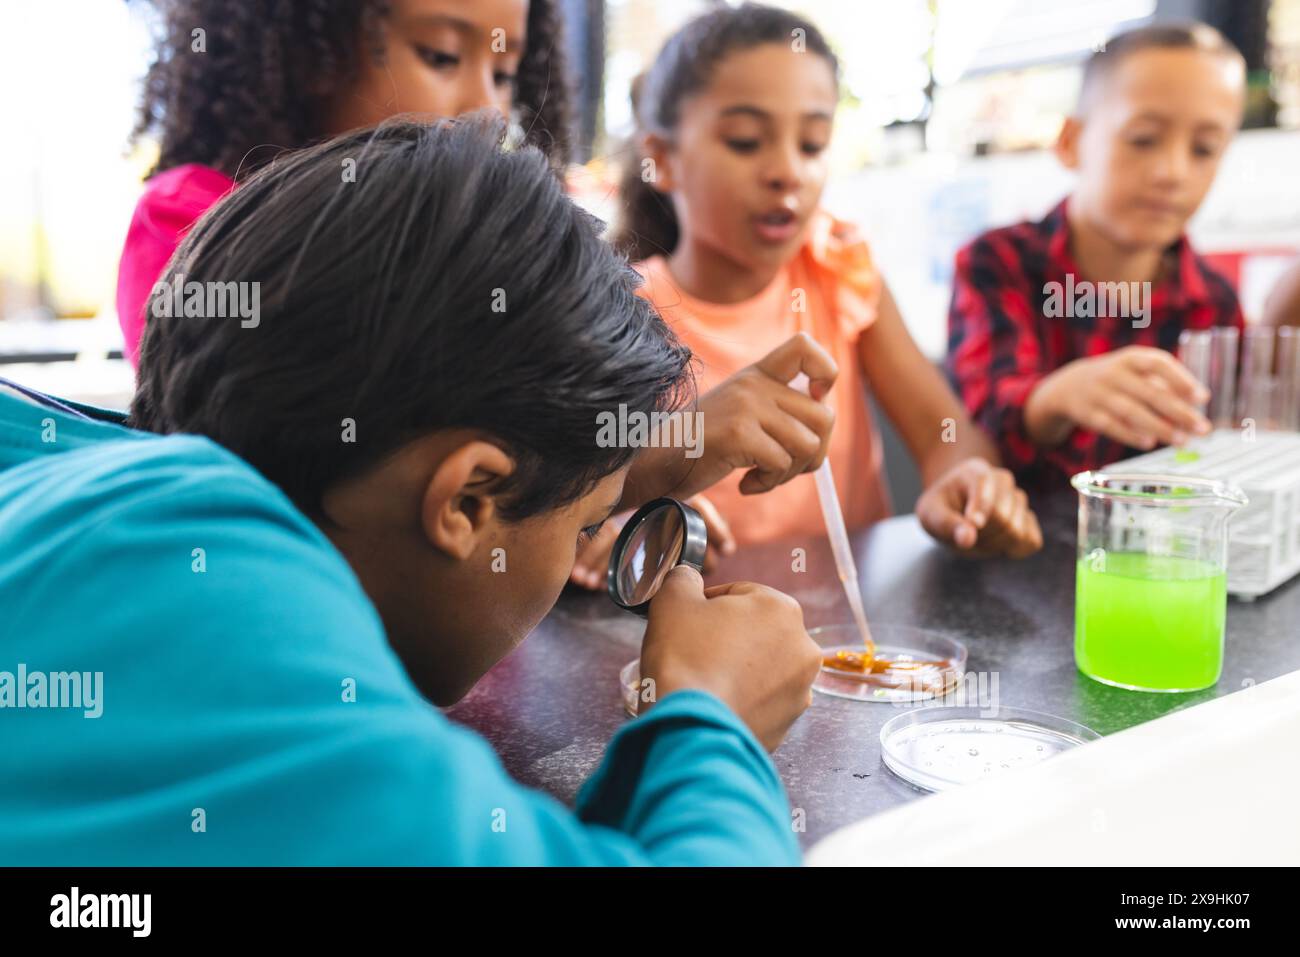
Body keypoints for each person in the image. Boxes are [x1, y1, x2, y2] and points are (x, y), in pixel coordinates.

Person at [0, 119, 841, 865]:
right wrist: (708, 718)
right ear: (468, 499)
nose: (591, 529)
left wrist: (607, 466)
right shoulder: (270, 683)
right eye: (590, 520)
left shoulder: (70, 467)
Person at [606, 3, 1041, 558]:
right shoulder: (622, 312)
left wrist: (965, 483)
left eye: (811, 144)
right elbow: (574, 504)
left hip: (850, 622)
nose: (788, 170)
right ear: (662, 160)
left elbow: (946, 436)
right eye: (744, 140)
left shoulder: (838, 270)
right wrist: (620, 521)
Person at [117, 0, 573, 366]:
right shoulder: (187, 220)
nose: (489, 108)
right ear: (314, 53)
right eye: (442, 55)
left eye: (504, 74)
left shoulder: (481, 231)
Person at [946, 22, 1247, 490]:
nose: (1172, 172)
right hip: (1017, 546)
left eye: (1204, 149)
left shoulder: (1216, 302)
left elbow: (1223, 451)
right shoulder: (998, 262)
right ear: (1070, 142)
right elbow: (987, 411)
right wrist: (1058, 396)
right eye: (1144, 139)